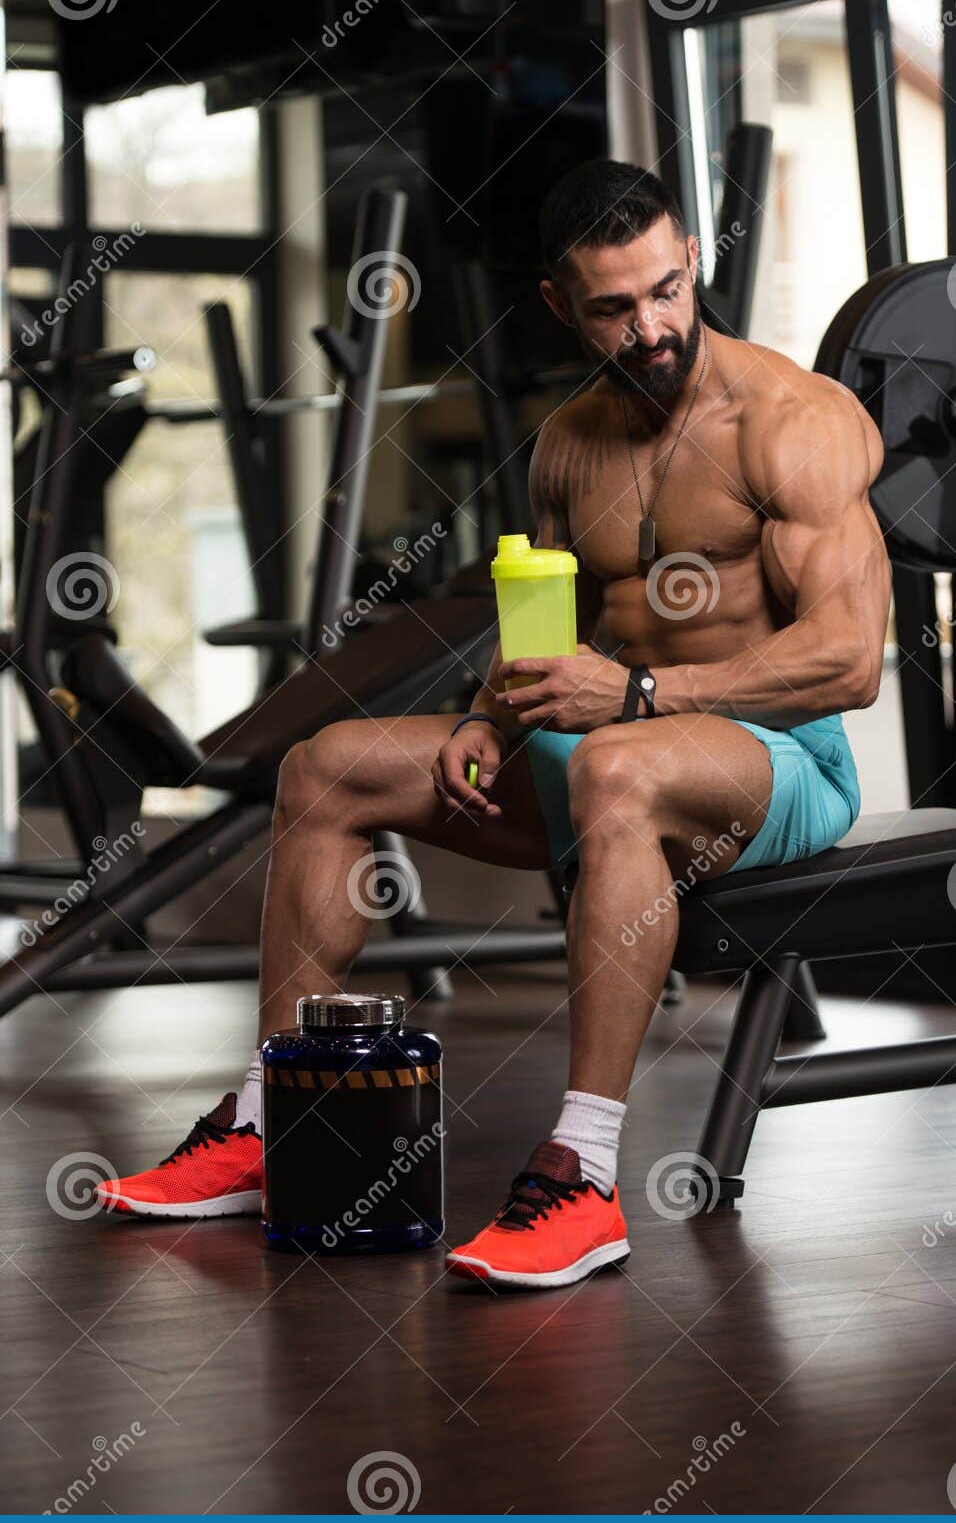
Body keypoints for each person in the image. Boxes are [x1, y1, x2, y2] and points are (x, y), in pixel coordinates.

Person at [96, 159, 890, 1289]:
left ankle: (586, 1175)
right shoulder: (569, 442)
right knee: (325, 766)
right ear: (561, 304)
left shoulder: (795, 423)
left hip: (778, 761)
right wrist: (488, 717)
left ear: (692, 260)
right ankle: (272, 1117)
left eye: (666, 291)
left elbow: (849, 661)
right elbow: (548, 626)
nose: (651, 328)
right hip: (614, 746)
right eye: (614, 308)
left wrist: (640, 699)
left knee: (616, 767)